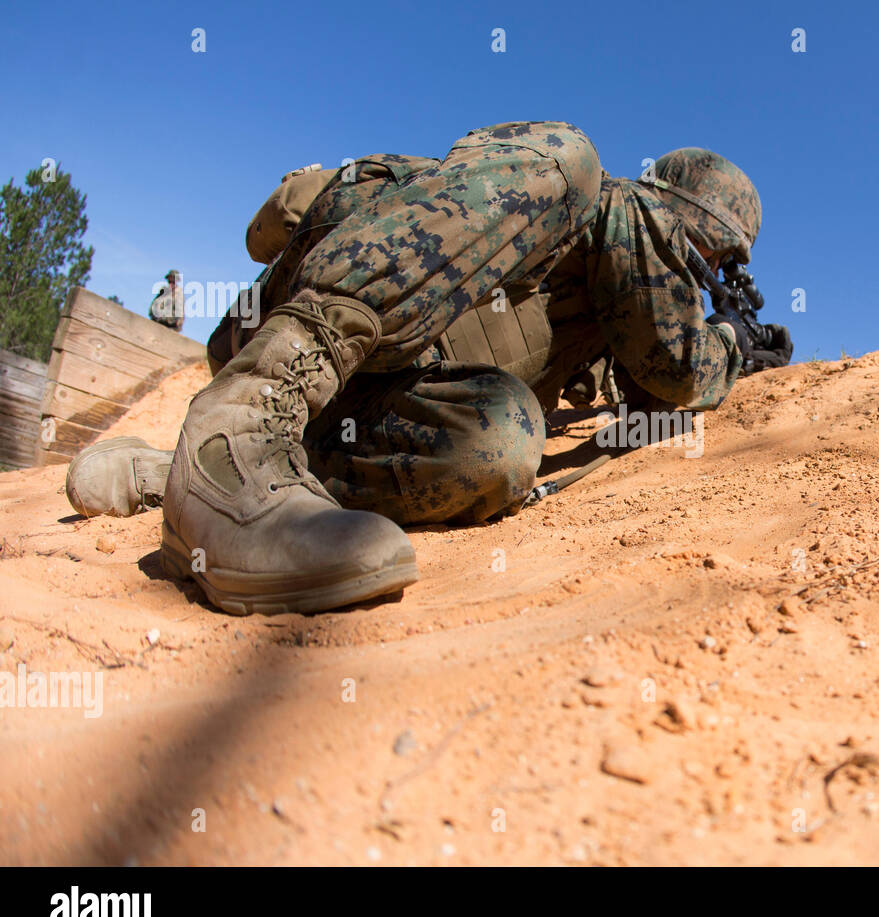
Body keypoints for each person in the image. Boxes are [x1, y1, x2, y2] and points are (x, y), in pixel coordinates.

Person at [64, 121, 792, 615]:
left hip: (376, 389)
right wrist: (728, 343)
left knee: (503, 442)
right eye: (716, 259)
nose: (706, 279)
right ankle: (244, 421)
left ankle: (188, 472)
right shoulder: (620, 209)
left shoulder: (606, 317)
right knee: (568, 156)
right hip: (314, 315)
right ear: (686, 218)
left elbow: (647, 391)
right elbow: (675, 366)